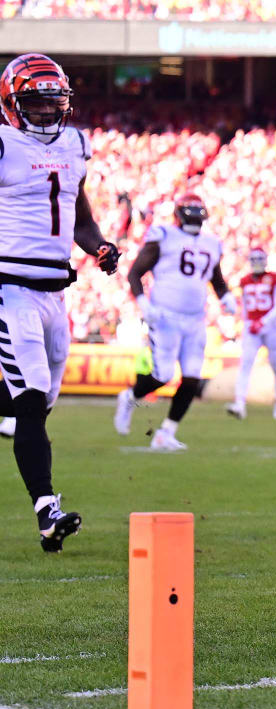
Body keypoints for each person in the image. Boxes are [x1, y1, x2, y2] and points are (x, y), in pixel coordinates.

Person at [0, 53, 120, 552]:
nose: (49, 110)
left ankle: (47, 514)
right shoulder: (3, 142)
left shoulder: (75, 145)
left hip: (55, 296)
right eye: (37, 102)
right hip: (10, 289)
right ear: (12, 103)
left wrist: (99, 246)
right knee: (29, 399)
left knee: (38, 404)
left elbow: (78, 213)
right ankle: (47, 510)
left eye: (55, 101)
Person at [113, 193, 234, 450]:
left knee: (191, 378)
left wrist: (226, 297)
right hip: (165, 316)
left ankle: (166, 433)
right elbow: (135, 272)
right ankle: (129, 398)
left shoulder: (211, 244)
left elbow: (217, 279)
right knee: (163, 375)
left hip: (195, 320)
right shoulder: (163, 235)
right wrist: (143, 303)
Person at [227, 247, 276, 420]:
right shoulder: (245, 280)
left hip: (272, 326)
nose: (256, 263)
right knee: (245, 364)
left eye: (259, 259)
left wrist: (263, 322)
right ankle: (239, 404)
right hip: (252, 326)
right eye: (253, 260)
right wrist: (246, 323)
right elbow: (245, 306)